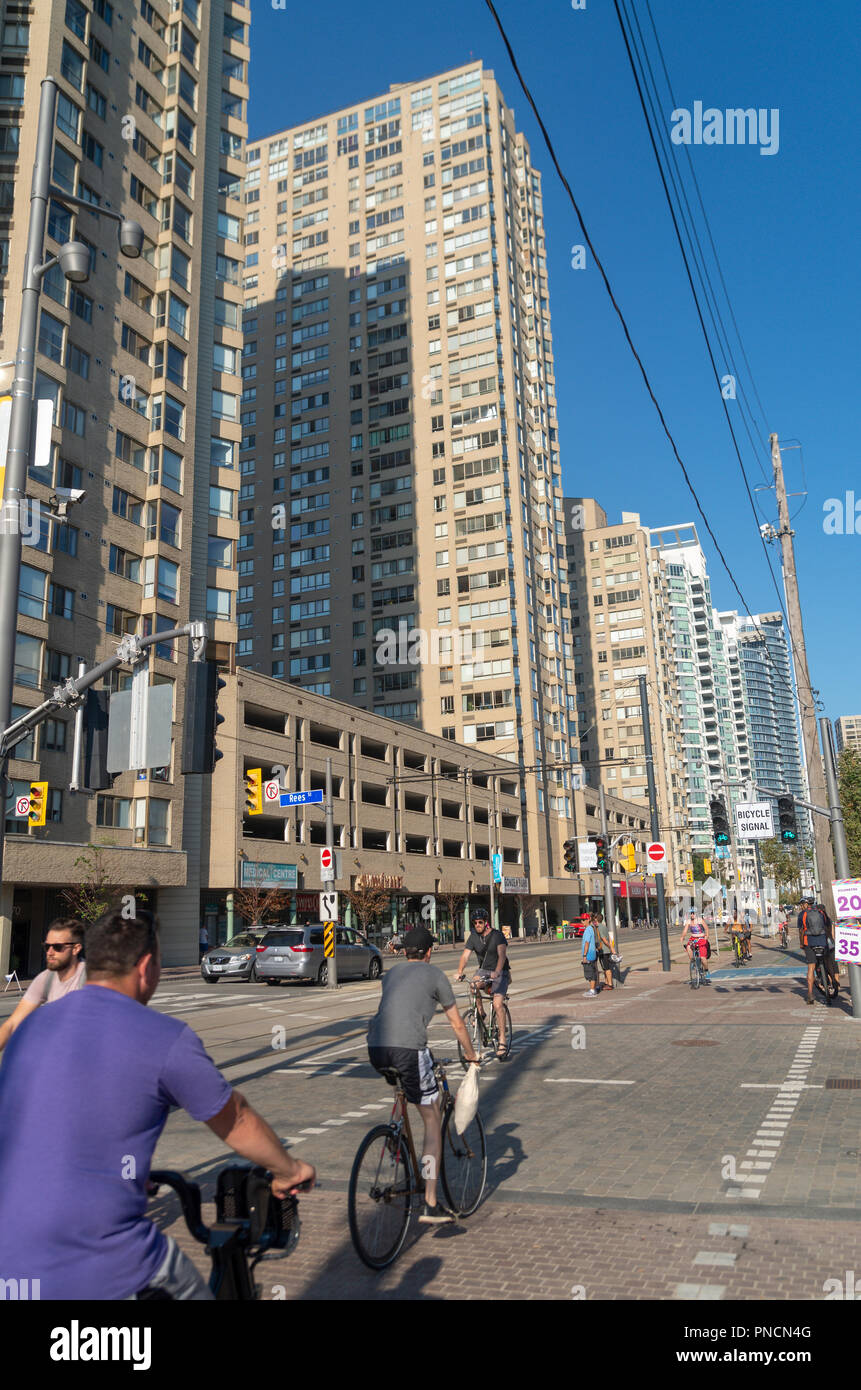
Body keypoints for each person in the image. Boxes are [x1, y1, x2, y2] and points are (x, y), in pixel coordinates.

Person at [0, 909, 315, 1299]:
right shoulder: (165, 1037)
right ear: (147, 966)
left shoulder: (30, 1029)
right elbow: (236, 1120)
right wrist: (289, 1169)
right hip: (103, 1266)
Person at [367, 925, 478, 1224]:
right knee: (431, 1119)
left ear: (404, 951)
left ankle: (397, 1138)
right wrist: (471, 1054)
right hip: (408, 1050)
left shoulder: (390, 974)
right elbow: (457, 1024)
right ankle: (430, 1201)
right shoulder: (436, 976)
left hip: (376, 1047)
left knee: (404, 1088)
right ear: (429, 952)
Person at [0, 917, 86, 1054]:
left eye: (58, 947)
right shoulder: (46, 978)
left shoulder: (90, 979)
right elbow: (12, 1024)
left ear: (76, 948)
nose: (50, 952)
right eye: (47, 946)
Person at [455, 908, 511, 1056]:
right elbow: (465, 956)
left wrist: (497, 972)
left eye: (480, 922)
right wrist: (460, 971)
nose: (477, 925)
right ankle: (480, 1013)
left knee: (498, 1004)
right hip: (484, 970)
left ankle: (502, 1040)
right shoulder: (473, 937)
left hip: (500, 971)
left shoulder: (497, 935)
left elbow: (502, 956)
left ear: (486, 922)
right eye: (475, 923)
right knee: (472, 985)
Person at [797, 897, 838, 1006]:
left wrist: (801, 943)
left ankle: (810, 994)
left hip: (809, 942)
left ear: (806, 904)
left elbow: (801, 931)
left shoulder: (802, 915)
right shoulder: (821, 912)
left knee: (811, 967)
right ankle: (833, 980)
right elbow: (827, 926)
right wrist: (830, 939)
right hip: (822, 940)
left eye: (802, 904)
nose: (801, 906)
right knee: (827, 961)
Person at [681, 910, 710, 979]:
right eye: (691, 914)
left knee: (703, 958)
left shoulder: (700, 920)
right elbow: (685, 930)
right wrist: (682, 936)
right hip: (693, 938)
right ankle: (693, 961)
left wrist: (707, 936)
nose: (692, 915)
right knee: (688, 947)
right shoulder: (688, 921)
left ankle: (706, 970)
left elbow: (706, 929)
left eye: (693, 914)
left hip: (701, 938)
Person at [580, 914, 600, 997]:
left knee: (590, 973)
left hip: (589, 954)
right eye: (582, 919)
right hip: (592, 953)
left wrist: (584, 955)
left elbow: (587, 943)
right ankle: (593, 989)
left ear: (588, 919)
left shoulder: (588, 929)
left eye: (584, 919)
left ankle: (592, 990)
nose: (582, 921)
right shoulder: (591, 928)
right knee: (592, 971)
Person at [593, 915, 615, 991]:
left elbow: (604, 939)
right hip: (606, 951)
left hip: (604, 950)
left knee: (606, 968)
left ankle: (610, 984)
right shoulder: (604, 926)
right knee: (605, 968)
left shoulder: (598, 927)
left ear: (596, 919)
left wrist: (610, 947)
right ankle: (606, 983)